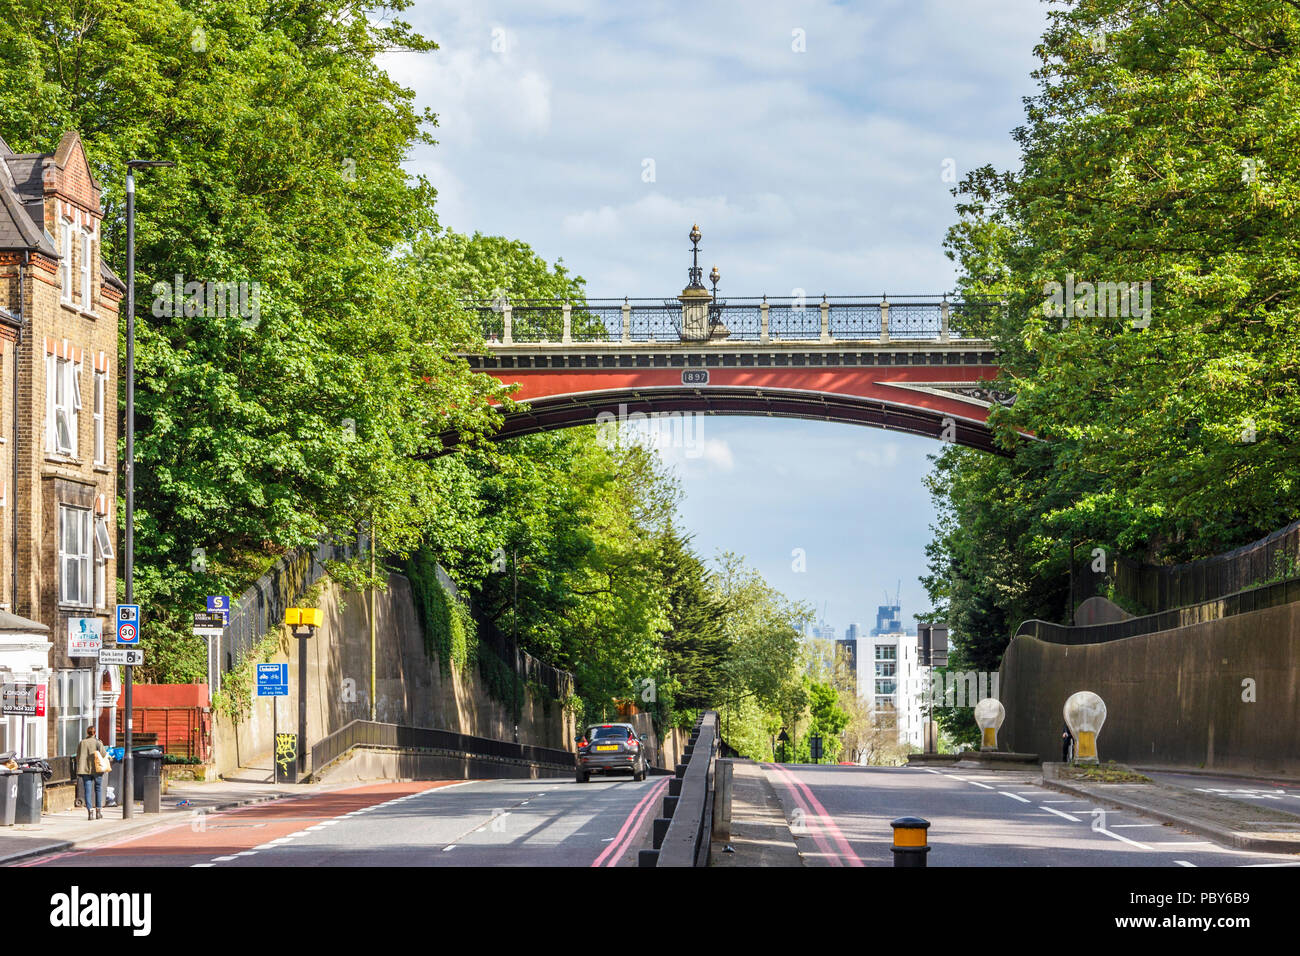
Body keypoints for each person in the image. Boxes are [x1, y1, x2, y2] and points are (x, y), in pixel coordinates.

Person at [75, 724, 107, 820]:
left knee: (87, 791)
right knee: (98, 789)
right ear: (95, 733)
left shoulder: (82, 743)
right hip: (97, 770)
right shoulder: (98, 742)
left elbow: (78, 756)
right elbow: (103, 754)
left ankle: (90, 812)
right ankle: (98, 812)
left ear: (87, 733)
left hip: (85, 770)